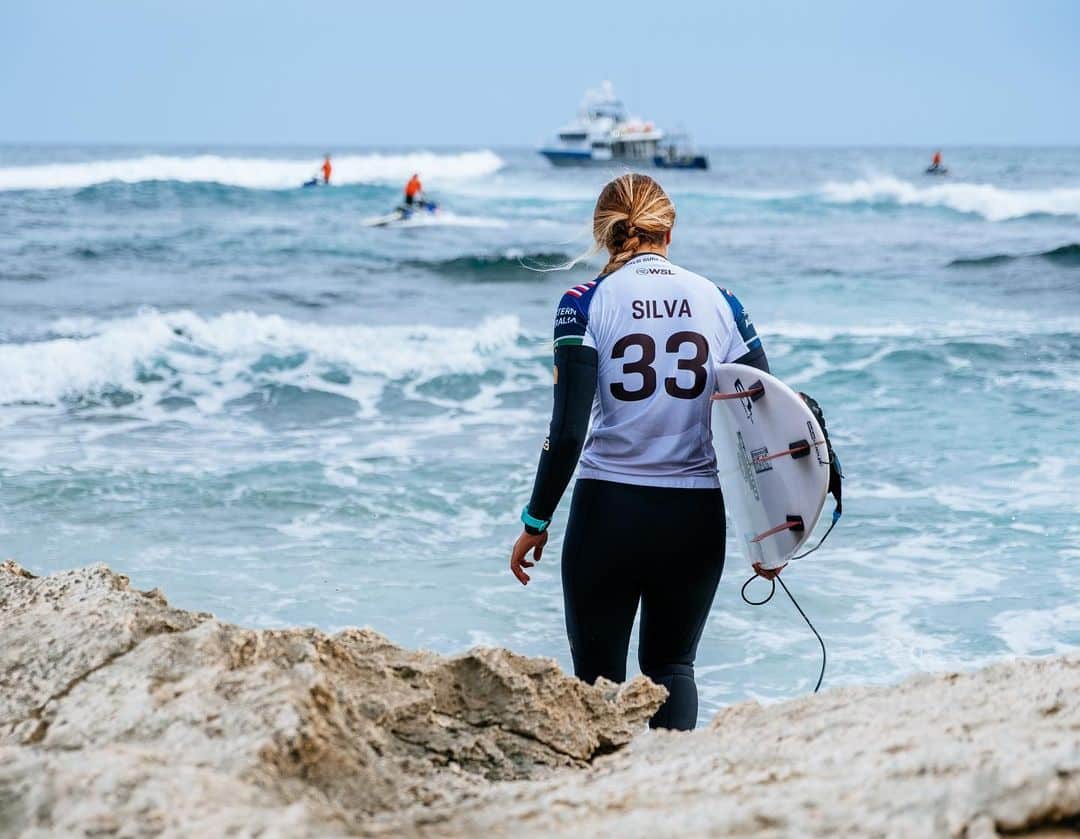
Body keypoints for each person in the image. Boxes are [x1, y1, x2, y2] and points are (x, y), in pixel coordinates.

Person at [509, 173, 772, 731]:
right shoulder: (721, 301)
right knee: (673, 666)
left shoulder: (584, 303)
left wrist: (536, 520)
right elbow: (763, 419)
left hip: (608, 511)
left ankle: (605, 780)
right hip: (694, 516)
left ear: (603, 233)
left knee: (597, 684)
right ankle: (673, 778)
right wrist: (769, 534)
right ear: (669, 231)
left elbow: (568, 430)